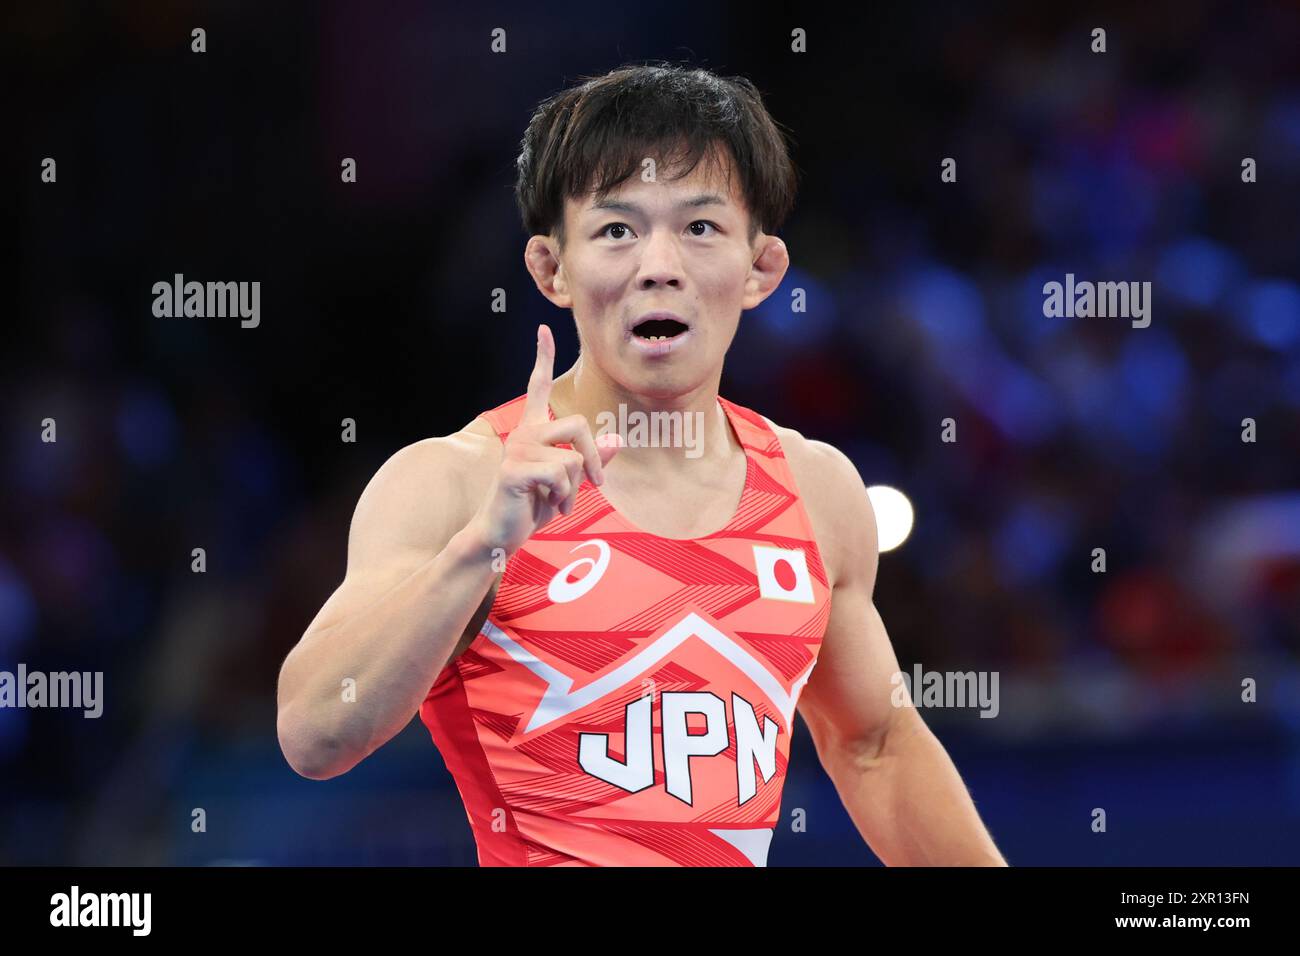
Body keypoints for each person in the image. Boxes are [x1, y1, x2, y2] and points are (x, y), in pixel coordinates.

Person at [276, 62, 1006, 866]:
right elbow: (315, 735)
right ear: (552, 270)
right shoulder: (454, 483)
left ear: (761, 269)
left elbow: (874, 744)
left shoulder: (815, 491)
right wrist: (481, 544)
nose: (660, 265)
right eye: (617, 229)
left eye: (700, 227)